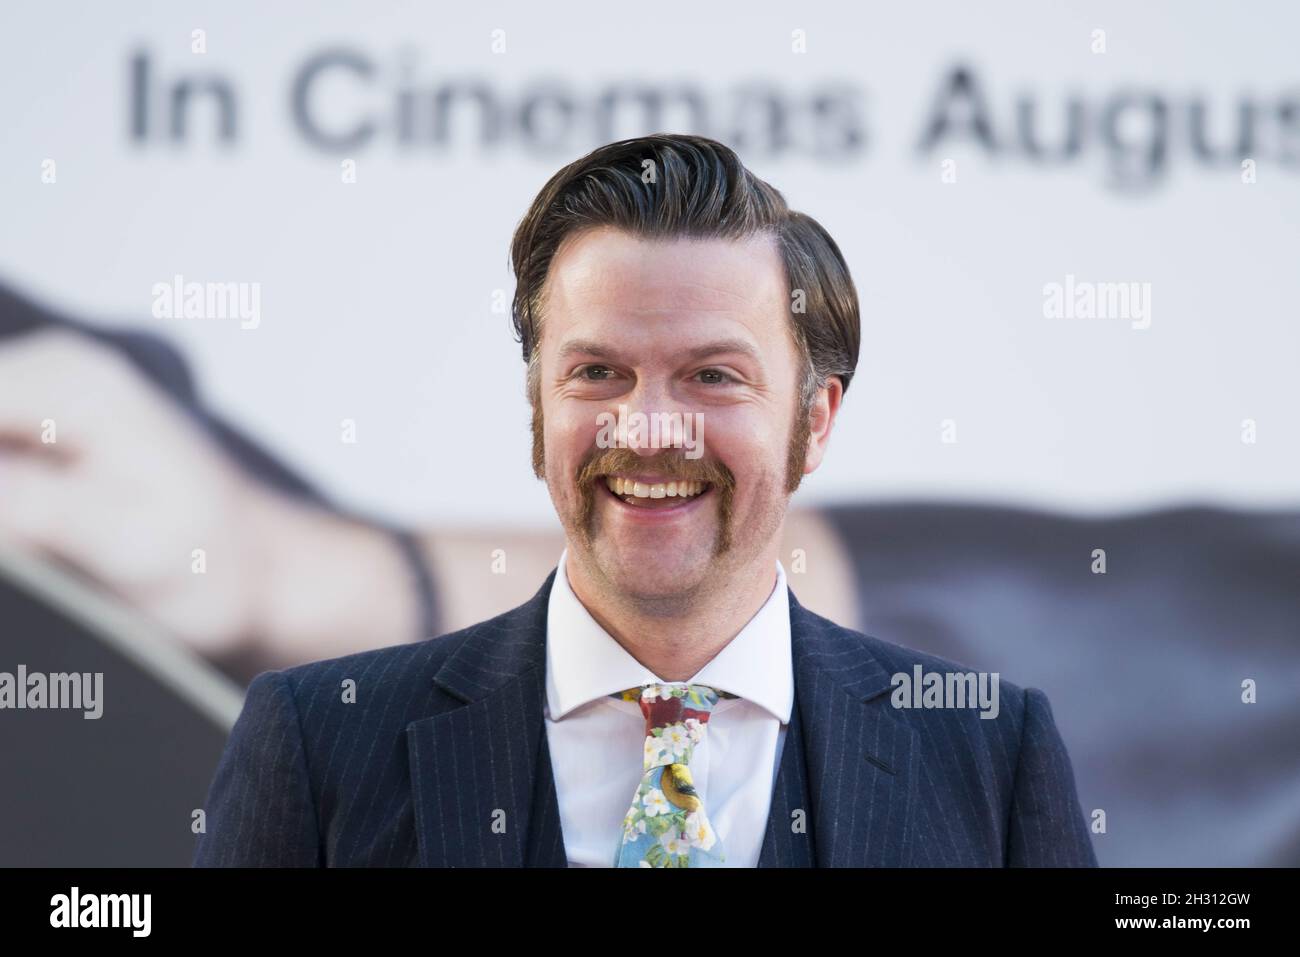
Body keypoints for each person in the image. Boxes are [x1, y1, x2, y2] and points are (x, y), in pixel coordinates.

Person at [189, 133, 1097, 867]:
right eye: (597, 372)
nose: (652, 430)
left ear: (815, 420)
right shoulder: (319, 745)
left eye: (711, 375)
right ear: (539, 410)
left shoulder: (988, 753)